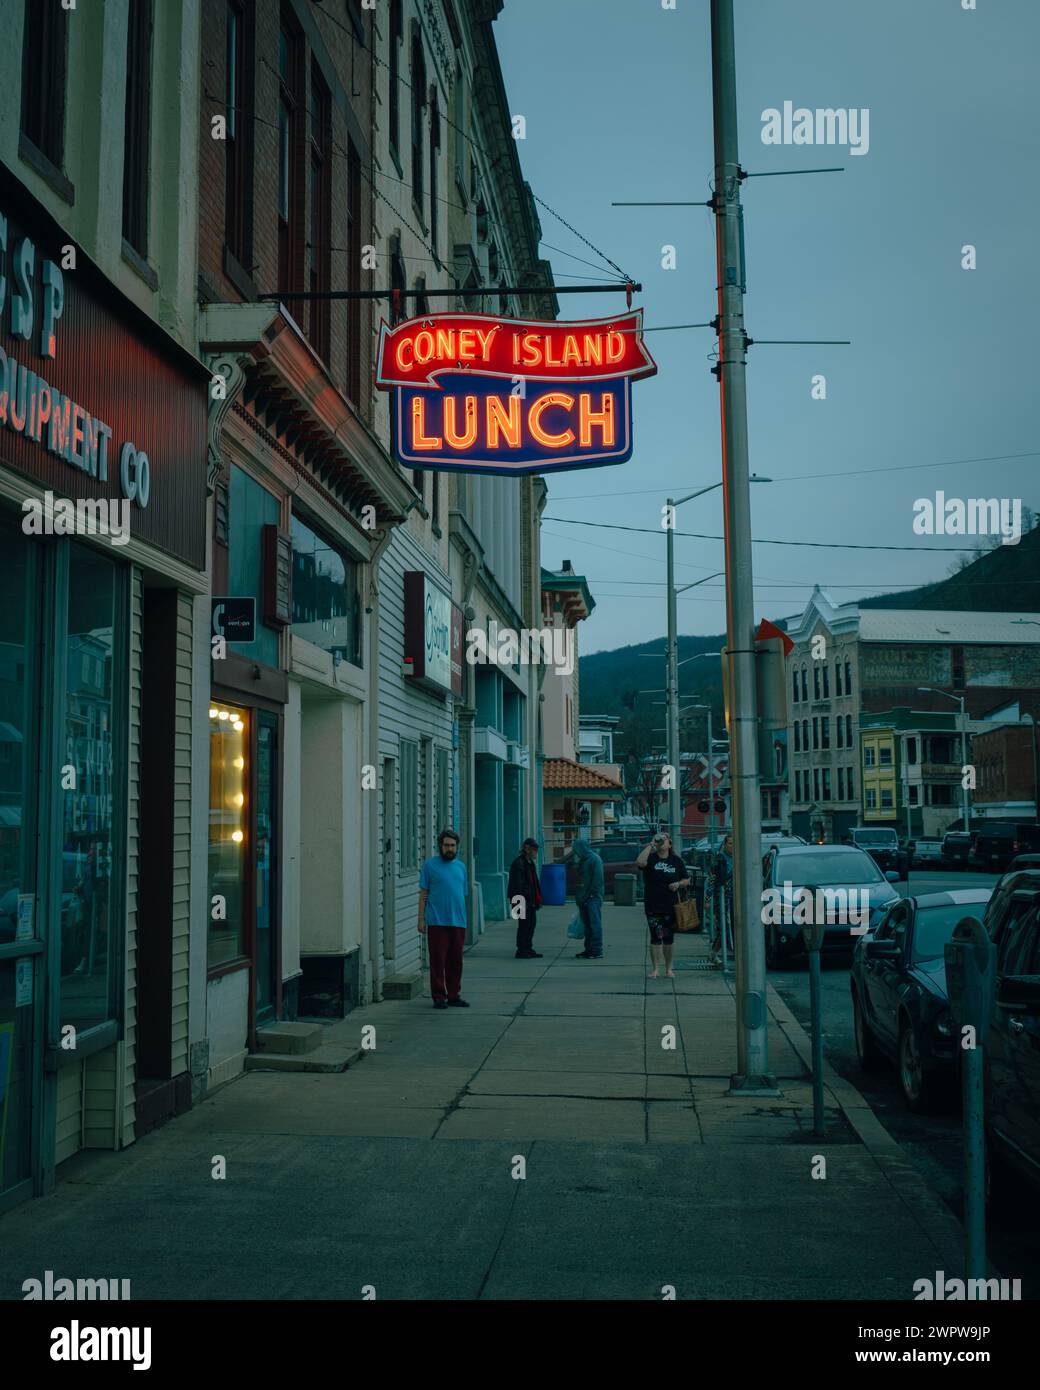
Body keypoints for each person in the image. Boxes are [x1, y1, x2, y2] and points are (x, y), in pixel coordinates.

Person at [418, 829, 470, 1009]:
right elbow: (424, 893)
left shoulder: (461, 867)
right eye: (446, 845)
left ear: (457, 847)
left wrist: (465, 920)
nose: (449, 848)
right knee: (438, 961)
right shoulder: (430, 866)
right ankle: (439, 996)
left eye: (453, 845)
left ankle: (454, 995)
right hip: (437, 922)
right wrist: (421, 919)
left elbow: (462, 895)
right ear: (440, 846)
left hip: (458, 922)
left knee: (456, 961)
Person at [636, 831, 690, 979]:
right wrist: (651, 844)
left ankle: (668, 968)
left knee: (668, 938)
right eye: (660, 840)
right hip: (653, 905)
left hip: (671, 906)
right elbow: (640, 863)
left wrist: (678, 884)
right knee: (655, 937)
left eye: (664, 840)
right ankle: (655, 969)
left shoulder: (676, 861)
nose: (662, 842)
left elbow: (687, 879)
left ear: (670, 844)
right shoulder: (651, 859)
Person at [508, 837, 543, 958]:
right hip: (520, 900)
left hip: (530, 900)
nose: (536, 852)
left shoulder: (530, 863)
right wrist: (526, 897)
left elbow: (534, 882)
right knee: (524, 925)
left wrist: (536, 897)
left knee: (531, 924)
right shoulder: (519, 863)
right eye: (534, 849)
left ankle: (528, 948)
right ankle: (521, 950)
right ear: (527, 849)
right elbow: (518, 885)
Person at [569, 837, 604, 959]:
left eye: (576, 850)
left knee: (594, 924)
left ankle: (596, 949)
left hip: (592, 897)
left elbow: (597, 880)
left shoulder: (594, 859)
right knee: (587, 925)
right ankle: (589, 949)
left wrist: (591, 894)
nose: (575, 853)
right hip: (584, 897)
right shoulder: (583, 860)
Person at [704, 833, 734, 963]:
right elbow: (712, 879)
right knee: (724, 927)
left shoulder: (739, 858)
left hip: (736, 898)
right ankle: (714, 952)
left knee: (735, 926)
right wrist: (707, 899)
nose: (732, 846)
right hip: (722, 898)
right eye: (730, 843)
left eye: (734, 843)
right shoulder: (720, 859)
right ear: (725, 844)